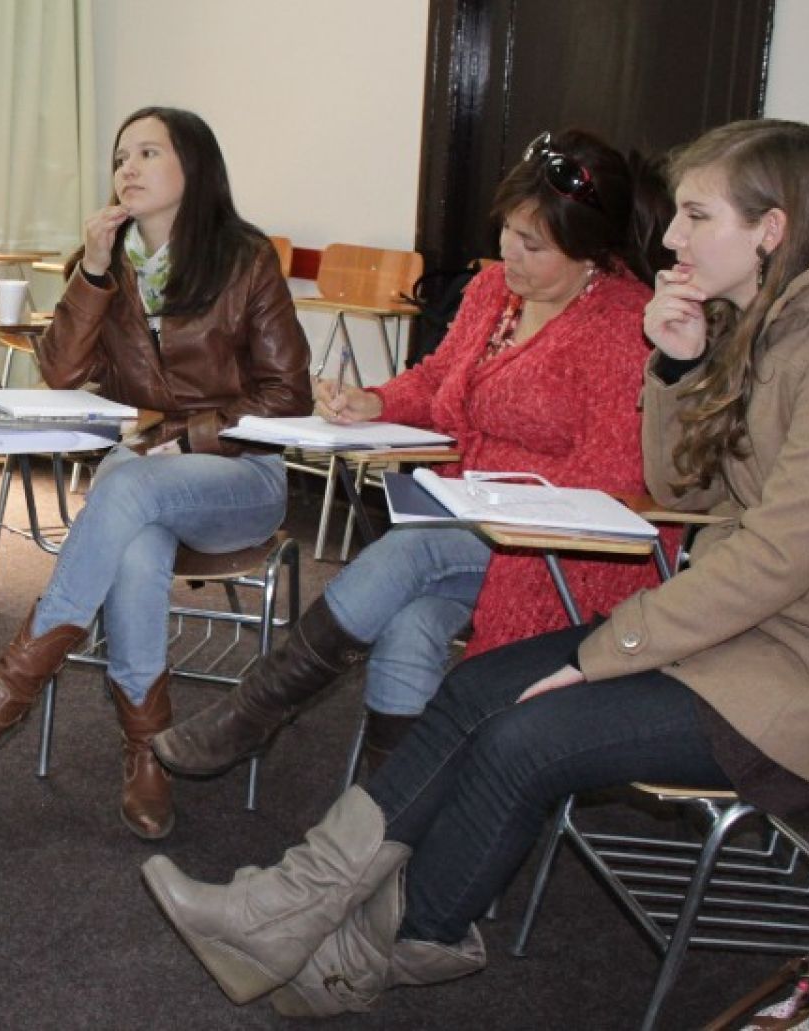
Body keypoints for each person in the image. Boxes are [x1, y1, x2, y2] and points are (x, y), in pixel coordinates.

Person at [141, 119, 809, 1017]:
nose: (673, 239)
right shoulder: (774, 320)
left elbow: (778, 552)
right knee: (478, 689)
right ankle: (291, 905)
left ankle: (383, 943)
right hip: (749, 635)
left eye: (696, 216)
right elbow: (682, 480)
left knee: (524, 734)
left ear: (771, 229)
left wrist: (606, 650)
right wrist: (678, 364)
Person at [153, 129, 673, 780]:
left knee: (409, 551)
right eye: (507, 230)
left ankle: (258, 709)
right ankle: (387, 814)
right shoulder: (495, 295)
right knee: (412, 623)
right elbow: (437, 379)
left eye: (532, 244)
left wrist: (504, 502)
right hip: (474, 528)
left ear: (592, 253)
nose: (508, 251)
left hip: (563, 554)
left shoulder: (626, 324)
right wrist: (377, 401)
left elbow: (615, 480)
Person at [0, 107, 313, 839]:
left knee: (123, 484)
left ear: (193, 168)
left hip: (238, 474)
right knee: (133, 540)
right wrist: (94, 272)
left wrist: (185, 438)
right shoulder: (107, 263)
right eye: (119, 156)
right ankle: (149, 751)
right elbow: (62, 371)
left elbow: (289, 399)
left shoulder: (245, 259)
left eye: (147, 153)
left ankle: (13, 686)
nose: (126, 168)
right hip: (143, 476)